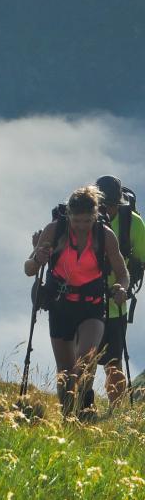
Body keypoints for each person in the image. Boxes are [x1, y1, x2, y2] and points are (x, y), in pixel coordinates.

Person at [25, 185, 128, 419]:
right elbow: (29, 269)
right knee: (65, 372)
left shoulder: (105, 235)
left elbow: (122, 273)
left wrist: (122, 287)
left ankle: (84, 408)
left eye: (87, 221)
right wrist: (38, 258)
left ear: (95, 215)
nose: (81, 226)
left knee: (85, 360)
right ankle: (68, 418)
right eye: (77, 221)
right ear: (68, 215)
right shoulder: (55, 230)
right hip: (60, 305)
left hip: (92, 306)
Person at [91, 175, 145, 408]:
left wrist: (126, 282)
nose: (108, 209)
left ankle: (117, 409)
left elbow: (142, 259)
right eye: (103, 204)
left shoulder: (133, 223)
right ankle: (82, 407)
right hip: (85, 299)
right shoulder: (84, 219)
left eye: (112, 205)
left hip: (116, 301)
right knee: (84, 357)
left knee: (113, 362)